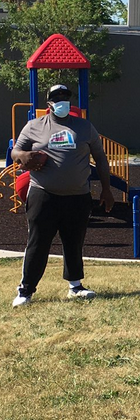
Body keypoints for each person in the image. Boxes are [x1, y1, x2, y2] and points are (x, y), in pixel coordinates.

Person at [11, 84, 114, 307]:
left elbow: (101, 158)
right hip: (43, 194)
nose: (62, 101)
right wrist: (24, 156)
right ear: (48, 104)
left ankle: (75, 286)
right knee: (37, 243)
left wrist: (106, 189)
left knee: (74, 241)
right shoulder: (34, 126)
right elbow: (15, 152)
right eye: (57, 98)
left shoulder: (84, 127)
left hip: (78, 196)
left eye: (65, 97)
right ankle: (26, 290)